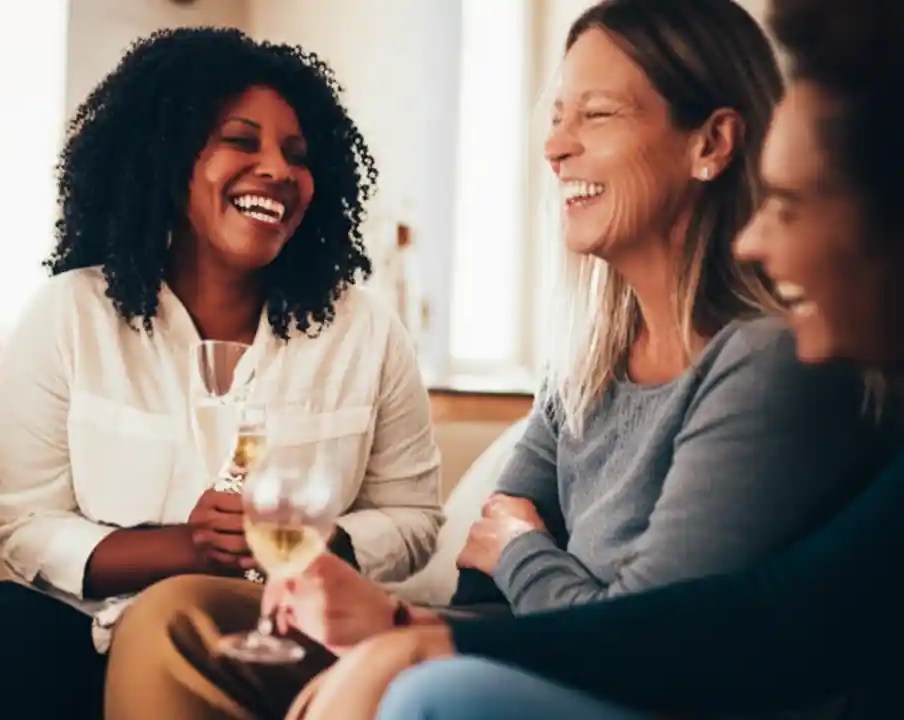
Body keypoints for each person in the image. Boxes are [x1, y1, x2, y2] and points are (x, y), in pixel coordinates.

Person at [108, 2, 896, 717]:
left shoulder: (766, 361)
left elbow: (657, 634)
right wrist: (391, 615)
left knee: (424, 686)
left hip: (637, 691)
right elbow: (479, 590)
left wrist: (520, 554)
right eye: (554, 117)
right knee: (180, 620)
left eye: (596, 113)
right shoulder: (582, 365)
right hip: (527, 655)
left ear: (712, 143)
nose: (555, 147)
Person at [0, 27, 441, 719]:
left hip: (279, 626)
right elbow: (24, 519)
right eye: (242, 140)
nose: (277, 169)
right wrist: (186, 548)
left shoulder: (365, 331)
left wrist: (330, 541)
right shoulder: (71, 315)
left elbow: (415, 515)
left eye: (297, 154)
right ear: (168, 159)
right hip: (88, 629)